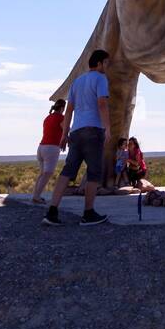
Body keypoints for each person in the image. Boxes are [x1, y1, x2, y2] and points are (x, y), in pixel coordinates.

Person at [43, 49, 111, 227]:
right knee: (94, 171)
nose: (107, 67)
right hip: (93, 130)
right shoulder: (101, 79)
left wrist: (64, 134)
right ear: (99, 63)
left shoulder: (77, 82)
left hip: (76, 132)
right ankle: (88, 213)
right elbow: (102, 104)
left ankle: (52, 211)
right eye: (106, 63)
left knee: (68, 170)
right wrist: (108, 128)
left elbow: (69, 110)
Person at [31, 99, 65, 203]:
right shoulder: (61, 118)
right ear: (62, 108)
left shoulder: (47, 118)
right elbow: (65, 130)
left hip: (41, 147)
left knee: (42, 173)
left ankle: (35, 195)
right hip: (51, 148)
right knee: (47, 173)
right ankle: (36, 197)